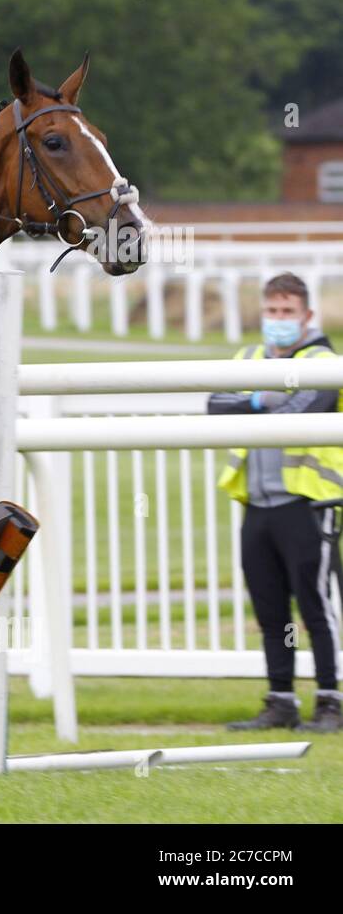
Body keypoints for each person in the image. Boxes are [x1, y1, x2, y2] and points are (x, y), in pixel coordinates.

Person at [211, 272, 343, 733]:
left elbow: (304, 411)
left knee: (316, 608)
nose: (279, 320)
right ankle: (281, 701)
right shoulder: (248, 357)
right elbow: (214, 407)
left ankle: (331, 701)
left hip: (307, 504)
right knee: (270, 611)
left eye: (288, 313)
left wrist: (252, 401)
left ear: (307, 317)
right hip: (258, 507)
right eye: (272, 312)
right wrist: (258, 398)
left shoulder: (325, 360)